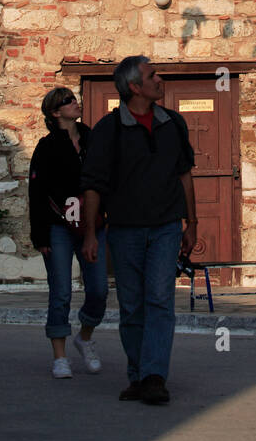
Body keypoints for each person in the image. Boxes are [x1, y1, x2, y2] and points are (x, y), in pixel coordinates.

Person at [80, 56, 196, 406]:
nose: (159, 79)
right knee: (132, 306)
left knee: (160, 300)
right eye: (152, 75)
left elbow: (185, 175)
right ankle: (139, 375)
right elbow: (93, 187)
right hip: (125, 230)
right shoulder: (107, 130)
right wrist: (89, 234)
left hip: (165, 228)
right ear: (134, 87)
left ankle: (154, 376)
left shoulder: (173, 123)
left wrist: (194, 222)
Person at [28, 86, 108, 379]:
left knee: (99, 289)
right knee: (60, 290)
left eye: (75, 98)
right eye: (68, 101)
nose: (76, 103)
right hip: (58, 226)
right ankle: (59, 356)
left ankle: (85, 337)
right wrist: (40, 236)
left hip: (93, 225)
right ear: (55, 112)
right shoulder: (46, 147)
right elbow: (36, 192)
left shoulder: (92, 140)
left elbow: (104, 178)